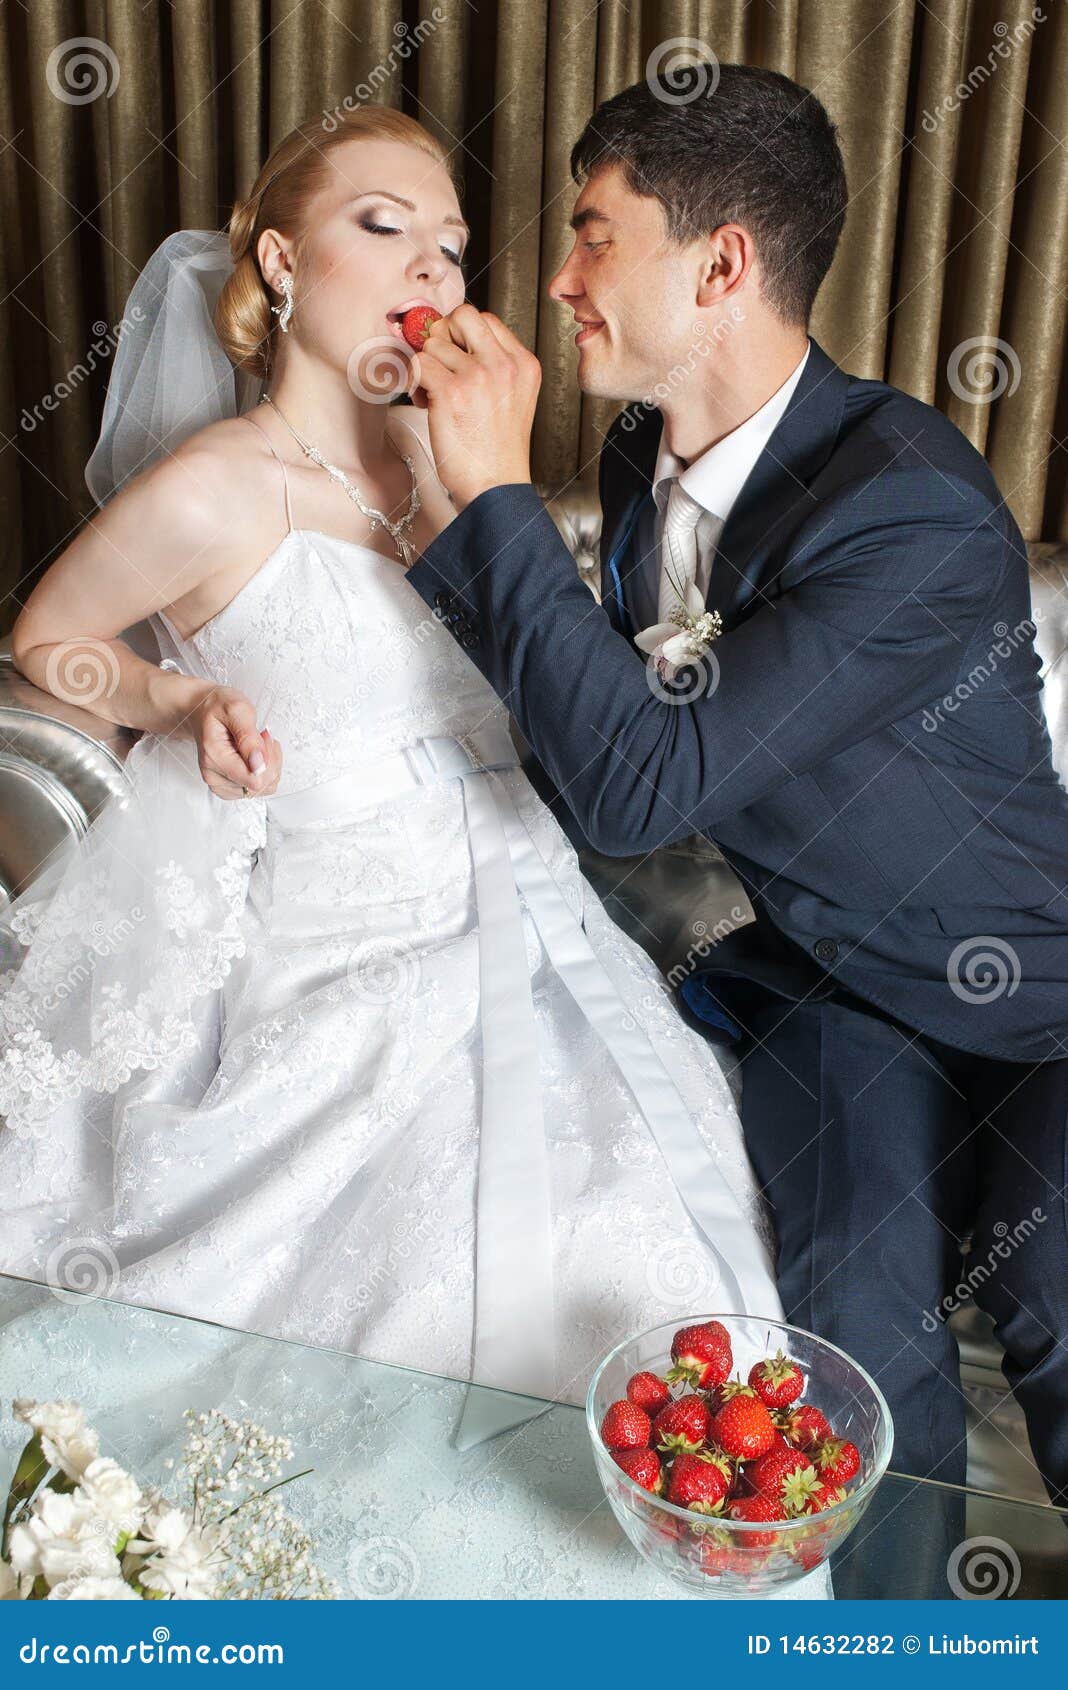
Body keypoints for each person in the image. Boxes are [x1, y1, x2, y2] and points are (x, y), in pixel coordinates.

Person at [0, 106, 784, 1455]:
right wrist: (171, 696)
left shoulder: (450, 462)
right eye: (385, 228)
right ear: (283, 261)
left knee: (648, 1225)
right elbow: (42, 640)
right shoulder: (213, 487)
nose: (433, 268)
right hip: (334, 938)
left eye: (453, 245)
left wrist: (494, 491)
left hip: (533, 911)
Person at [402, 64, 1068, 1508]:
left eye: (594, 236)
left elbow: (646, 786)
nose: (561, 280)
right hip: (836, 991)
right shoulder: (645, 448)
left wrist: (497, 502)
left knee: (1052, 1278)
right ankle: (911, 1645)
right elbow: (603, 782)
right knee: (846, 1340)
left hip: (1043, 1008)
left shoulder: (910, 503)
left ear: (722, 265)